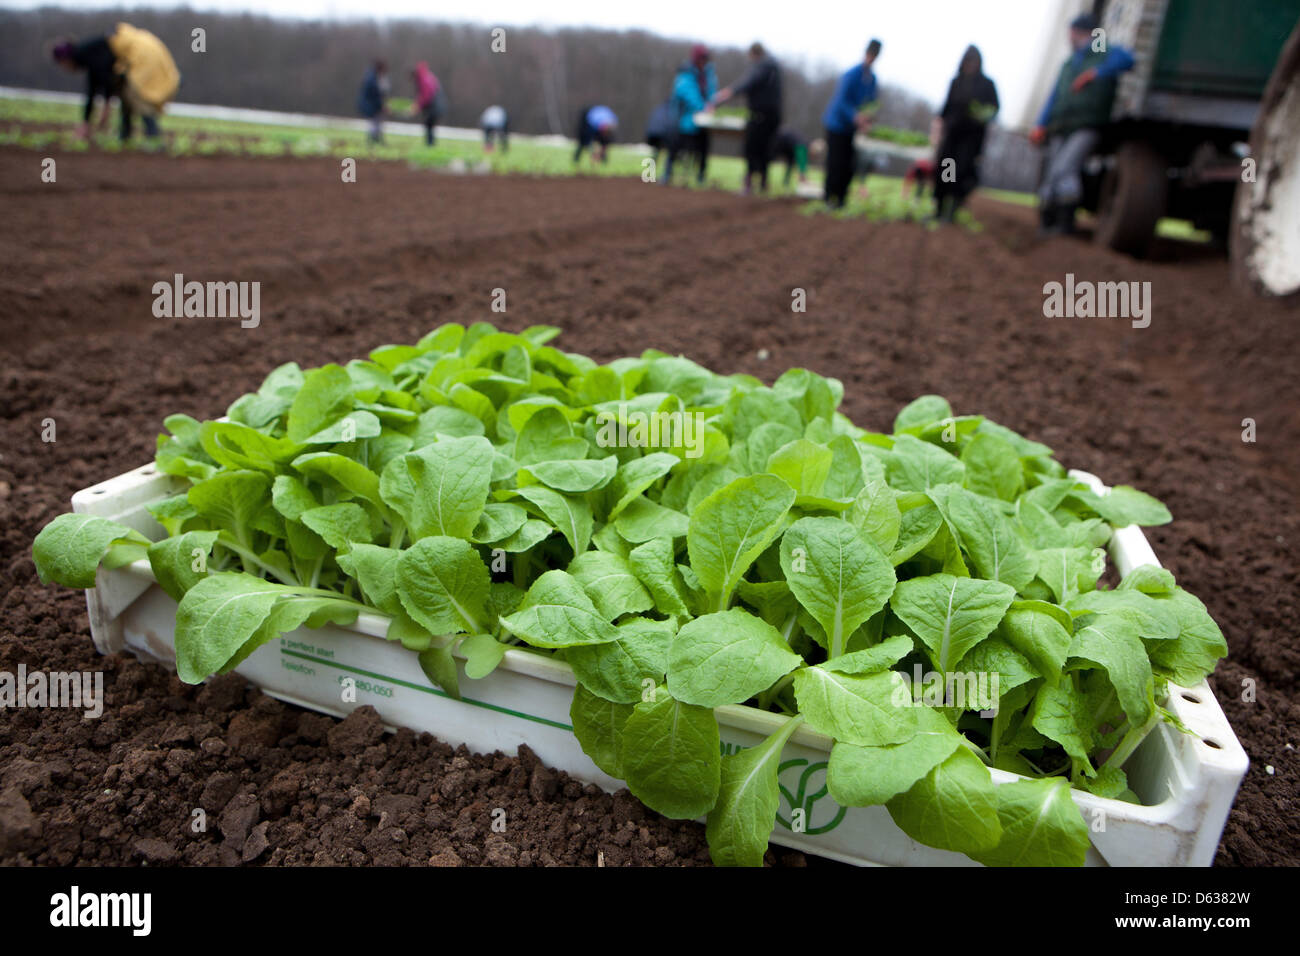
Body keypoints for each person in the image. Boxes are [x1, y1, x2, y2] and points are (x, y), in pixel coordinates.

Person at [1029, 12, 1135, 235]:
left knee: (1065, 169)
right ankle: (1047, 221)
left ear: (1084, 33)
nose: (1070, 37)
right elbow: (1055, 95)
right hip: (1060, 125)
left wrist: (1097, 72)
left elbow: (1128, 59)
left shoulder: (1102, 52)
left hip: (1086, 124)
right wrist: (1040, 123)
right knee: (1052, 173)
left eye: (1074, 33)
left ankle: (1065, 223)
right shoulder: (1069, 63)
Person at [51, 23, 179, 142]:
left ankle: (153, 134)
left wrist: (105, 111)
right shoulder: (87, 53)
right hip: (147, 47)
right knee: (125, 91)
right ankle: (125, 134)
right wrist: (88, 121)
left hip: (143, 55)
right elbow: (94, 89)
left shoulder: (87, 54)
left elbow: (104, 83)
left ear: (65, 59)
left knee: (136, 94)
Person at [933, 45, 999, 222]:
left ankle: (953, 210)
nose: (970, 65)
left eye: (973, 62)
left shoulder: (987, 84)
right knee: (947, 171)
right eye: (967, 62)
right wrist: (938, 131)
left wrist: (982, 115)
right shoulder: (957, 82)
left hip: (971, 139)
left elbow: (994, 109)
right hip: (953, 136)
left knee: (962, 172)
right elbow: (946, 108)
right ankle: (940, 208)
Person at [714, 42, 783, 194]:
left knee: (752, 148)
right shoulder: (773, 67)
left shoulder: (763, 66)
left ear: (754, 54)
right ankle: (763, 183)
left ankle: (749, 184)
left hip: (760, 115)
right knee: (765, 149)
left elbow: (748, 83)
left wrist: (726, 94)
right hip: (773, 116)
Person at [822, 39, 882, 208]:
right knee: (835, 162)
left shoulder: (872, 79)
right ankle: (828, 197)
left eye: (875, 56)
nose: (872, 58)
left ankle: (841, 199)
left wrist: (868, 119)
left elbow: (871, 103)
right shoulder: (852, 74)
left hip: (851, 130)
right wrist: (855, 116)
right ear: (866, 53)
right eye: (871, 54)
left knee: (849, 165)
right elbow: (841, 101)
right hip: (837, 125)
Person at [666, 44, 718, 184]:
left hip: (703, 120)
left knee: (703, 147)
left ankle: (700, 176)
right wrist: (702, 106)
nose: (703, 62)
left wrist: (710, 104)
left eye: (705, 59)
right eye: (701, 59)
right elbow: (686, 92)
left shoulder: (708, 74)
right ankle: (667, 174)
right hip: (683, 117)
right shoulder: (686, 73)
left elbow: (712, 91)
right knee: (675, 145)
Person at [411, 62, 443, 147]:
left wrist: (418, 105)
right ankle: (430, 145)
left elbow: (426, 95)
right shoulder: (429, 76)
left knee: (429, 126)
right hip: (435, 105)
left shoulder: (424, 79)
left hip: (432, 106)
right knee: (430, 126)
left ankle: (430, 145)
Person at [357, 60, 389, 144]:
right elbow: (375, 95)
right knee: (373, 123)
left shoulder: (372, 77)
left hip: (372, 104)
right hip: (370, 105)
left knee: (376, 123)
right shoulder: (372, 80)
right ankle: (372, 141)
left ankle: (376, 140)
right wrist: (382, 105)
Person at [644, 98, 677, 169]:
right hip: (663, 134)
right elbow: (670, 125)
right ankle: (666, 174)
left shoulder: (658, 109)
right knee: (671, 152)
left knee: (656, 151)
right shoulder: (672, 111)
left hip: (652, 134)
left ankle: (650, 171)